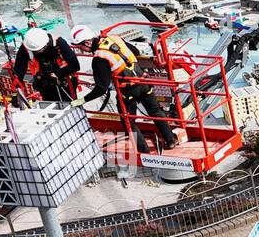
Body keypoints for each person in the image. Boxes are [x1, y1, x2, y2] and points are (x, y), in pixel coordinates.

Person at [70, 24, 178, 154]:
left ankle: (144, 152)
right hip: (144, 82)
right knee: (155, 112)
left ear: (87, 42)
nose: (81, 49)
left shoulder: (99, 58)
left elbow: (101, 88)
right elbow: (136, 52)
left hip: (128, 91)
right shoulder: (114, 38)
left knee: (128, 121)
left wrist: (83, 100)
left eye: (80, 46)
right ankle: (171, 140)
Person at [12, 27, 81, 103]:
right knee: (50, 105)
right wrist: (16, 93)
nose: (39, 52)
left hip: (65, 82)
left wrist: (57, 74)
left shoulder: (58, 43)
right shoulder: (26, 49)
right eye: (36, 51)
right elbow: (19, 72)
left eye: (41, 50)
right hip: (43, 84)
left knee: (69, 103)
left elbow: (75, 65)